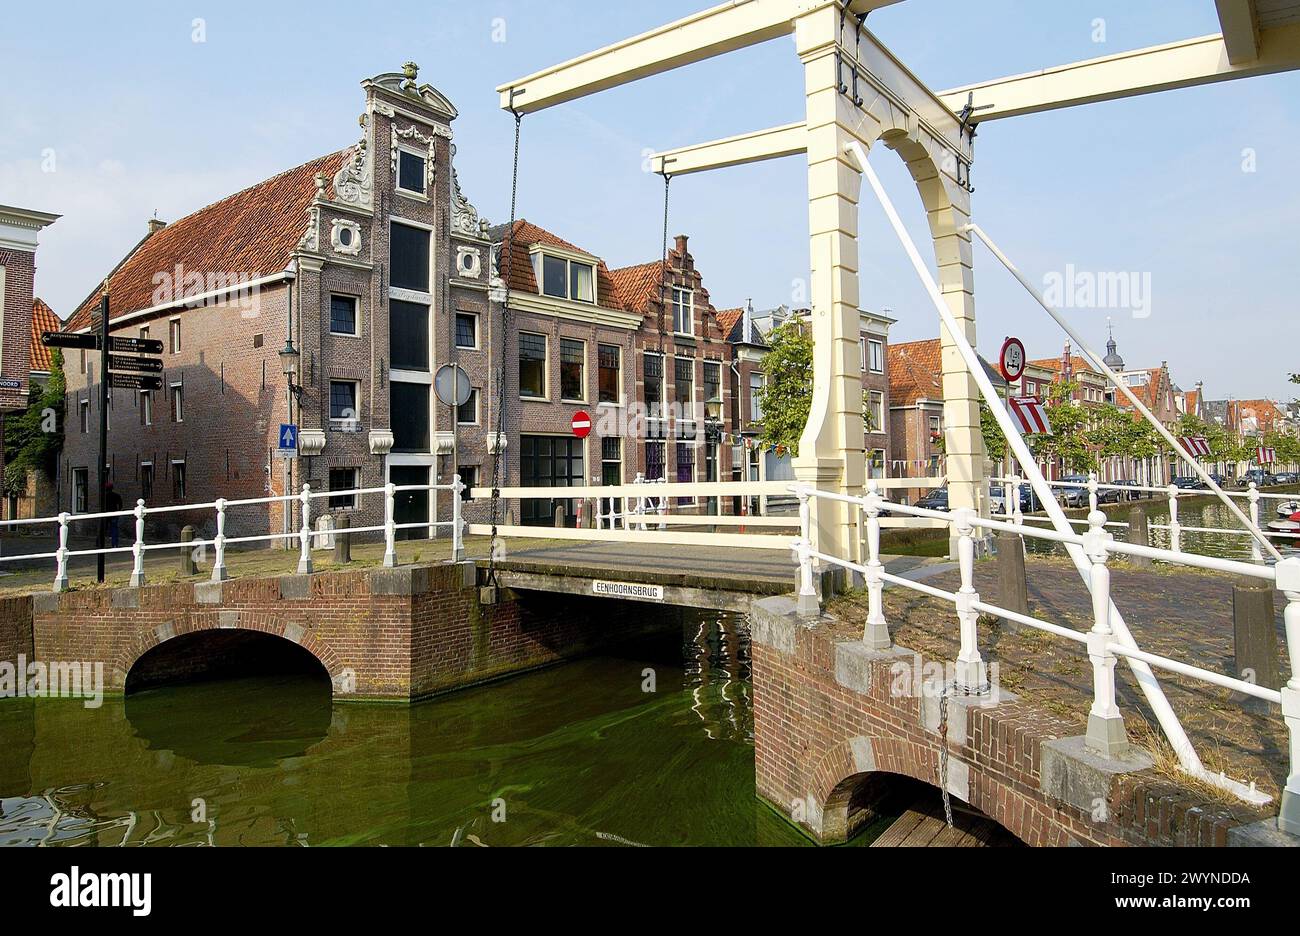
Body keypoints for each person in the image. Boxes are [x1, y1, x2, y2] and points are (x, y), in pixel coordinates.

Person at [104, 481, 123, 548]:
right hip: (114, 514)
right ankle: (115, 544)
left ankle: (99, 542)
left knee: (103, 528)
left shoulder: (103, 496)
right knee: (114, 528)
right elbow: (120, 504)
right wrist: (118, 511)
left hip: (105, 514)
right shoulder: (116, 495)